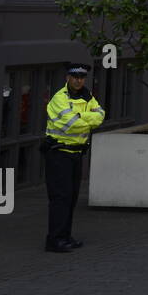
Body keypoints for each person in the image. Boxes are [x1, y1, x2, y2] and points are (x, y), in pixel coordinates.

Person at [42, 63, 105, 252]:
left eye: (81, 77)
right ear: (67, 77)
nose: (78, 80)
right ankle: (54, 240)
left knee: (71, 198)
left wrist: (80, 117)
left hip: (76, 154)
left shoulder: (87, 96)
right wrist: (87, 119)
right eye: (75, 76)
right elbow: (70, 124)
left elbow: (101, 116)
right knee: (60, 198)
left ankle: (65, 236)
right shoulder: (59, 99)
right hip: (58, 154)